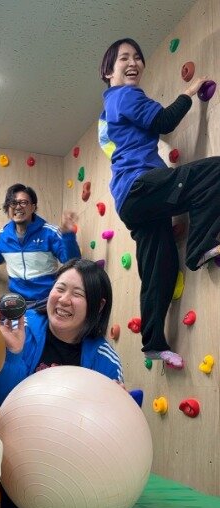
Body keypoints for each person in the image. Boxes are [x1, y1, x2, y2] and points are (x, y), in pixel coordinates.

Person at [99, 38, 220, 369]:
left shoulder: (110, 107)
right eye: (124, 58)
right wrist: (189, 92)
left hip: (130, 202)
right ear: (108, 71)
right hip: (140, 186)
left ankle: (153, 343)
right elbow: (164, 122)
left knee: (159, 266)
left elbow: (149, 129)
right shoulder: (125, 95)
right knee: (216, 172)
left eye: (138, 57)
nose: (133, 62)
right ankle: (202, 247)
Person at [0, 258, 123, 407]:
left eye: (77, 294)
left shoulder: (106, 361)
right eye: (60, 289)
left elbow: (107, 417)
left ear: (99, 306)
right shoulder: (18, 330)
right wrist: (13, 355)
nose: (64, 300)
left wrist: (117, 405)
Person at [0, 183, 80, 308]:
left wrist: (68, 236)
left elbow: (72, 261)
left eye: (23, 202)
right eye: (13, 203)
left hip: (46, 302)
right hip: (18, 303)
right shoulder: (4, 236)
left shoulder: (49, 232)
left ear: (33, 207)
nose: (18, 207)